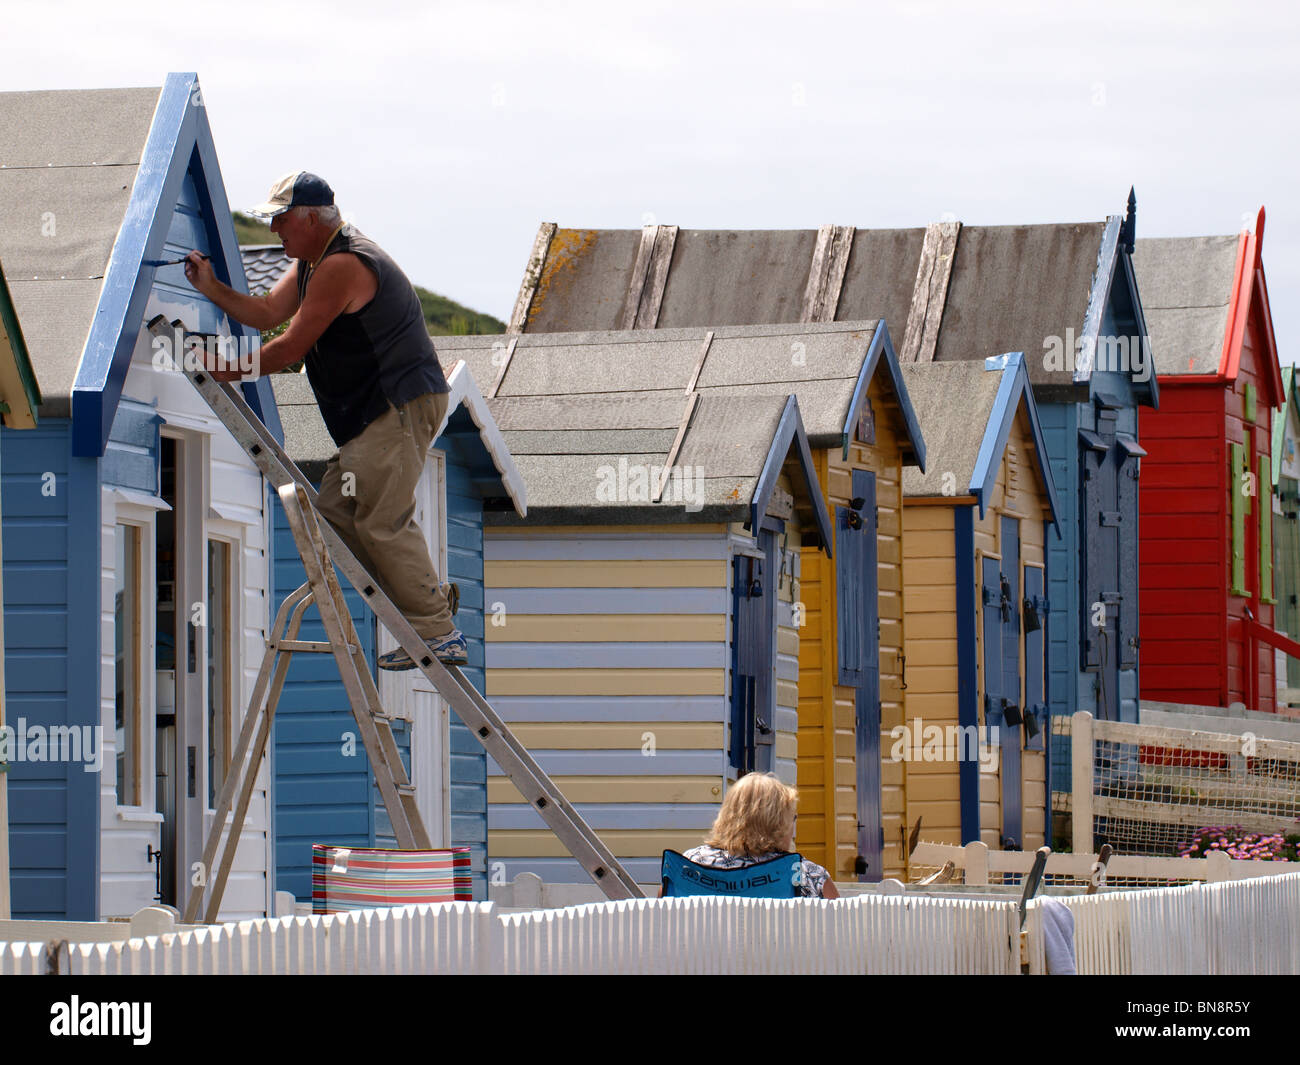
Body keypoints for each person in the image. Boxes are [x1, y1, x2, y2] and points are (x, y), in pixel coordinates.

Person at [185, 171, 464, 668]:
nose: (273, 230)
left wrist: (222, 371)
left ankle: (439, 632)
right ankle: (427, 597)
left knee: (381, 519)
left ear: (311, 218)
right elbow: (268, 312)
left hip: (398, 406)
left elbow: (290, 347)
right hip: (376, 415)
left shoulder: (342, 264)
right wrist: (210, 287)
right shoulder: (313, 261)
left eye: (280, 219)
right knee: (333, 514)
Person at [669, 771, 839, 899]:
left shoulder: (690, 865)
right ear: (779, 824)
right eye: (792, 818)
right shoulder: (806, 874)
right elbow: (841, 936)